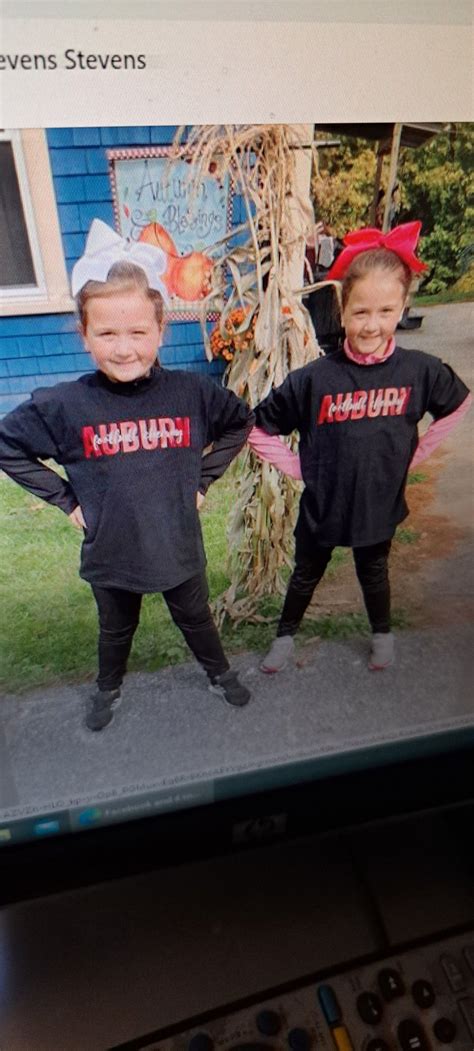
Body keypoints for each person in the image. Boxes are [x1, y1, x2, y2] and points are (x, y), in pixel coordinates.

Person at [0, 219, 255, 730]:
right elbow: (9, 445)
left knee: (196, 617)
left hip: (176, 544)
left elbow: (239, 422)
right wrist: (67, 500)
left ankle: (219, 673)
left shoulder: (191, 394)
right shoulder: (67, 405)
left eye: (138, 332)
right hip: (113, 550)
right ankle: (108, 689)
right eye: (107, 333)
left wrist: (202, 480)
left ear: (161, 329)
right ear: (85, 336)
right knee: (116, 630)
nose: (124, 348)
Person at [247, 221, 471, 673]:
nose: (372, 325)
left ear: (403, 307)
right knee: (306, 574)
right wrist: (297, 467)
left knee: (374, 573)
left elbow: (458, 403)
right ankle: (285, 639)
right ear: (342, 308)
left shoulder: (420, 371)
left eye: (386, 311)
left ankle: (382, 637)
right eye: (361, 312)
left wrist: (415, 454)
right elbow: (256, 427)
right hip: (323, 504)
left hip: (377, 502)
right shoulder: (315, 379)